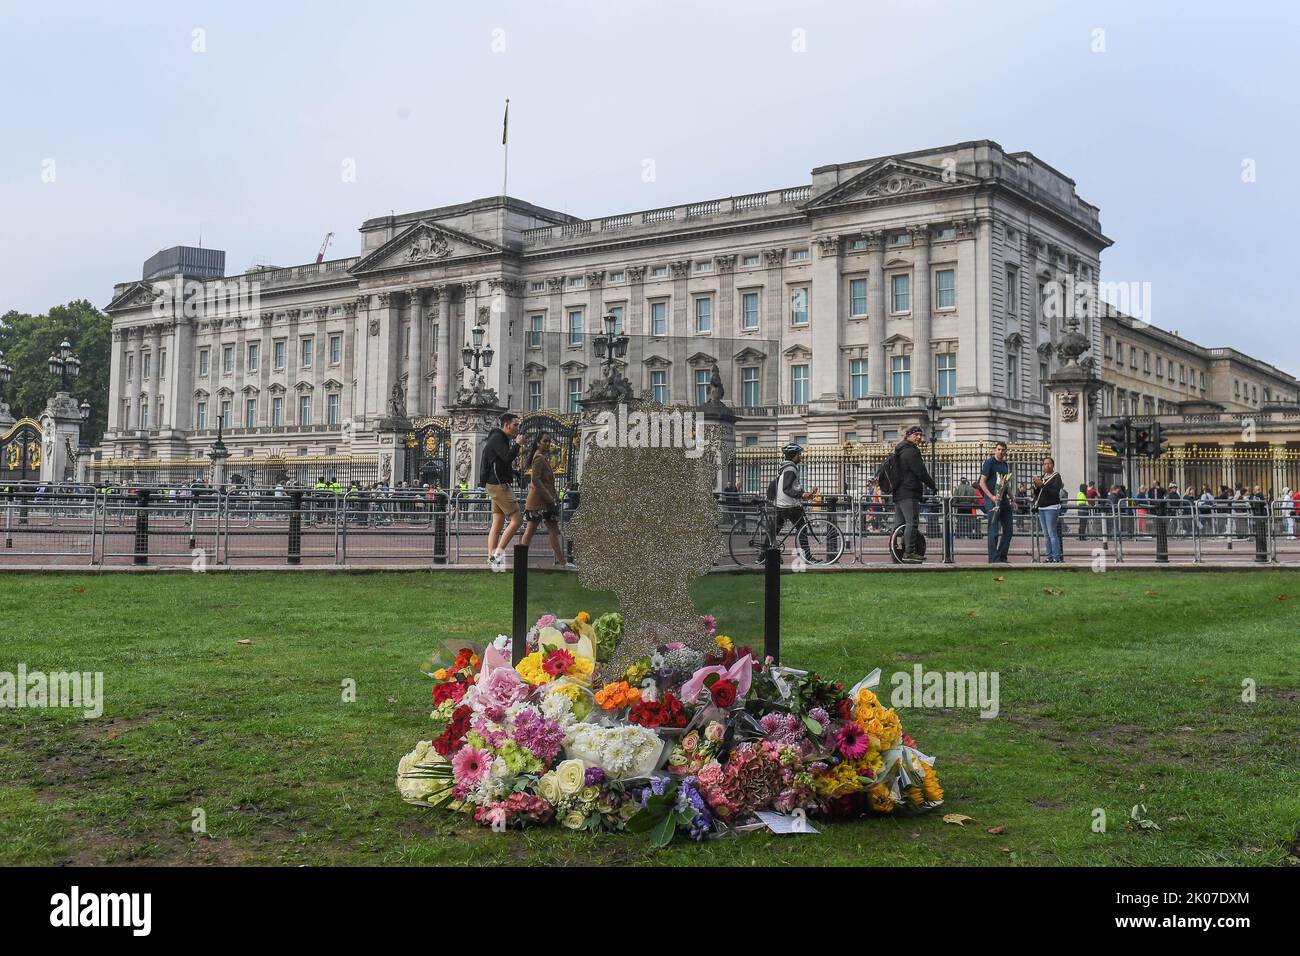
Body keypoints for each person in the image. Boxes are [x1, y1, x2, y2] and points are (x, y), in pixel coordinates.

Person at [521, 431, 572, 568]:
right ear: (538, 443)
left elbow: (544, 481)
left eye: (549, 441)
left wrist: (553, 498)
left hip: (542, 502)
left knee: (551, 531)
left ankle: (562, 562)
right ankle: (562, 563)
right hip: (539, 503)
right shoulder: (539, 458)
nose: (548, 443)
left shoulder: (541, 457)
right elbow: (536, 480)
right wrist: (550, 499)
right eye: (545, 441)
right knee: (532, 532)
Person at [481, 412, 525, 571]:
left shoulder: (499, 438)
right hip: (498, 485)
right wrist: (518, 444)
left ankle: (491, 559)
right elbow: (506, 457)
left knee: (498, 522)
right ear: (506, 425)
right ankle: (496, 556)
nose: (517, 429)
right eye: (515, 425)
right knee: (516, 520)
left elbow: (499, 463)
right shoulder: (498, 438)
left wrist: (512, 472)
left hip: (494, 483)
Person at [890, 426, 936, 563]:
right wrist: (932, 486)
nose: (919, 438)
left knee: (899, 526)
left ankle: (895, 553)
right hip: (909, 492)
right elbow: (921, 472)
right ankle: (909, 552)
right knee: (912, 523)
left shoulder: (900, 450)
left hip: (898, 493)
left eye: (921, 435)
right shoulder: (911, 451)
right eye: (916, 435)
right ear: (908, 436)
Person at [772, 442, 819, 545]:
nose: (800, 457)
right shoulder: (790, 468)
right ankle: (808, 556)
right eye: (799, 454)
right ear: (794, 455)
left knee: (774, 531)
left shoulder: (785, 467)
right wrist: (802, 495)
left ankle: (762, 556)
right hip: (789, 505)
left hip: (782, 504)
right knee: (802, 530)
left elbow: (793, 486)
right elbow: (786, 488)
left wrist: (804, 493)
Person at [978, 441, 1013, 563]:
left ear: (1005, 451)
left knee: (1009, 530)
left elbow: (1006, 484)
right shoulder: (989, 463)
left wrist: (1013, 500)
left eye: (1003, 450)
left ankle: (1002, 557)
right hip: (992, 500)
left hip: (1004, 500)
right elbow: (982, 482)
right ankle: (994, 559)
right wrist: (991, 497)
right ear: (995, 450)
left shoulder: (1005, 464)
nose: (1001, 452)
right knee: (993, 530)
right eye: (999, 449)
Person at [1033, 457, 1066, 563]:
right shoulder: (1042, 477)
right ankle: (1049, 556)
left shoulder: (1056, 476)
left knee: (1052, 533)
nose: (1047, 465)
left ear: (1053, 465)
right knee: (1046, 534)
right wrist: (1036, 487)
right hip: (1042, 507)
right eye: (1045, 464)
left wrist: (1042, 486)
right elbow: (1038, 494)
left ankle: (1056, 556)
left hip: (1051, 507)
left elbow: (1055, 492)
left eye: (1049, 463)